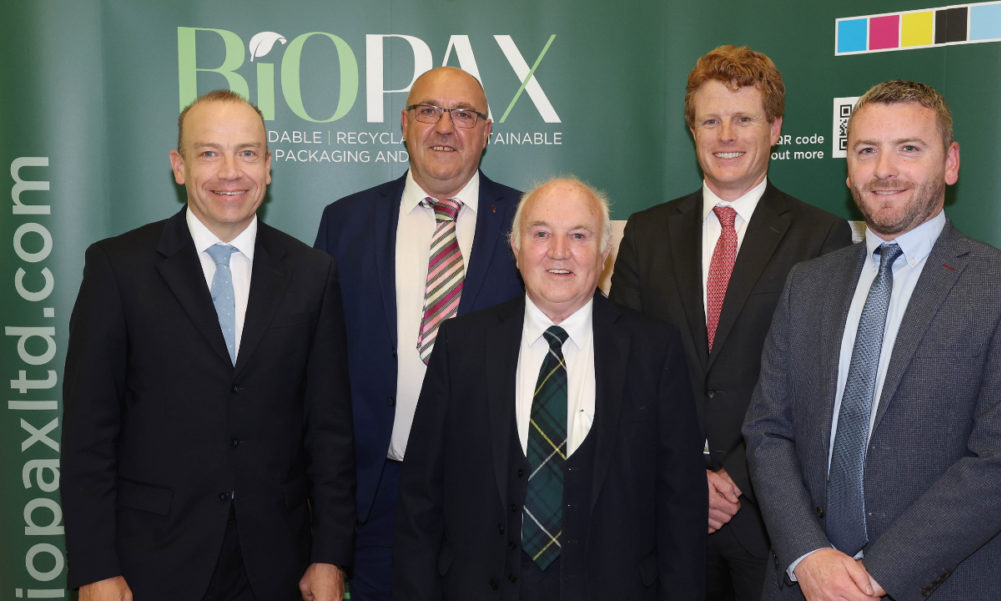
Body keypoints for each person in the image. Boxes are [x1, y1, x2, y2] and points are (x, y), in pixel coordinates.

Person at [742, 80, 1001, 601]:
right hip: (803, 584)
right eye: (866, 150)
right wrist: (808, 556)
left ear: (950, 163)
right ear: (848, 169)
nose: (884, 169)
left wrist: (874, 577)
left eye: (909, 148)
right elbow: (768, 430)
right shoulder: (807, 283)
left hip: (939, 585)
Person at [60, 90, 356, 601]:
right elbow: (88, 434)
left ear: (268, 167)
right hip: (148, 562)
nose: (230, 171)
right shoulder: (118, 268)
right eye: (208, 153)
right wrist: (94, 566)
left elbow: (329, 434)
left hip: (276, 564)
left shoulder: (312, 274)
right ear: (178, 166)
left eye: (246, 152)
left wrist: (330, 557)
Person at [609, 45, 853, 601]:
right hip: (662, 506)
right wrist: (684, 476)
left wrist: (735, 480)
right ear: (692, 129)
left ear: (775, 128)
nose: (726, 135)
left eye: (743, 119)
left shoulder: (821, 237)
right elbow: (623, 367)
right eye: (711, 120)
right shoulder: (645, 233)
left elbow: (819, 384)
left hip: (770, 519)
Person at [394, 178, 707, 600]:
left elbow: (682, 508)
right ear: (516, 248)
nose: (559, 252)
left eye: (579, 235)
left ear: (604, 252)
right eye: (541, 234)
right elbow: (421, 498)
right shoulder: (461, 345)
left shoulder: (655, 350)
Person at [314, 66, 524, 600]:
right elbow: (319, 371)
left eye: (464, 114)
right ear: (404, 124)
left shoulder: (532, 221)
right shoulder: (346, 222)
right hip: (375, 497)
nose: (445, 127)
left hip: (496, 499)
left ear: (487, 131)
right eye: (429, 110)